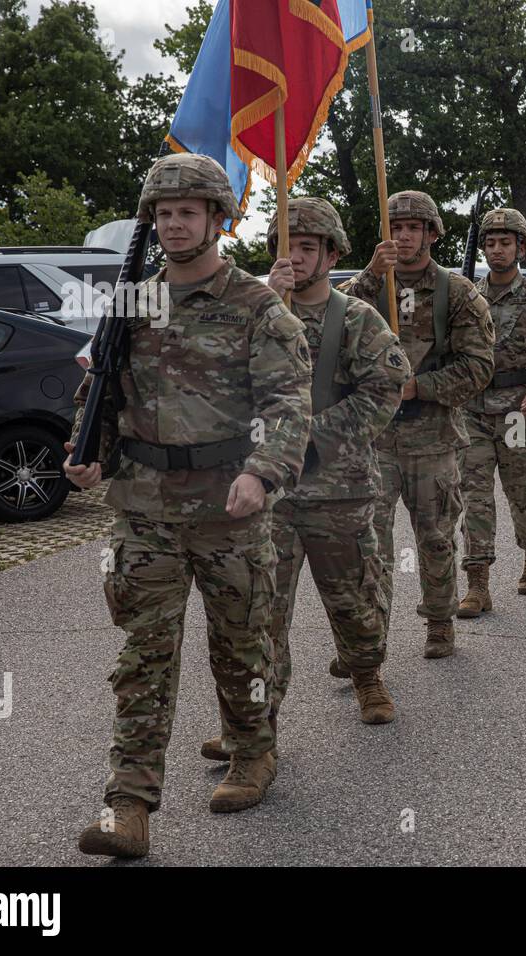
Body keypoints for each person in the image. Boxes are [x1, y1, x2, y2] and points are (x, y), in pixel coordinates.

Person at [65, 153, 313, 858]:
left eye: (187, 212)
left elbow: (289, 404)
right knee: (144, 654)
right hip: (143, 507)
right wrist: (86, 453)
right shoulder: (133, 300)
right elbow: (102, 396)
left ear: (217, 220)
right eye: (164, 214)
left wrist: (264, 473)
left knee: (241, 648)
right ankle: (129, 805)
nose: (174, 224)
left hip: (230, 508)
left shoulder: (257, 307)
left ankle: (253, 749)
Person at [212, 197, 409, 738]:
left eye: (306, 247)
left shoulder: (357, 319)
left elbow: (384, 390)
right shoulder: (254, 308)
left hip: (337, 490)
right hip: (267, 494)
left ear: (331, 252)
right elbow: (219, 384)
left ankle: (367, 674)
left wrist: (308, 438)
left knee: (354, 600)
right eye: (286, 246)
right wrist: (268, 306)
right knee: (259, 614)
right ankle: (253, 723)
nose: (295, 258)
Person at [344, 190, 494, 660]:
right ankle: (369, 639)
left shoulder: (458, 293)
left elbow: (478, 367)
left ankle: (440, 621)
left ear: (431, 233)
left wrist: (419, 387)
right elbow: (327, 327)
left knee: (434, 536)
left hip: (432, 438)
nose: (403, 235)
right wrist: (371, 275)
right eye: (395, 226)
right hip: (376, 440)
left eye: (413, 227)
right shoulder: (368, 287)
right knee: (369, 542)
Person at [456, 209, 526, 618]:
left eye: (505, 243)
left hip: (520, 406)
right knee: (474, 497)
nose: (497, 250)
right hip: (472, 410)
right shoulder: (466, 295)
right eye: (490, 243)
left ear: (521, 247)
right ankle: (477, 582)